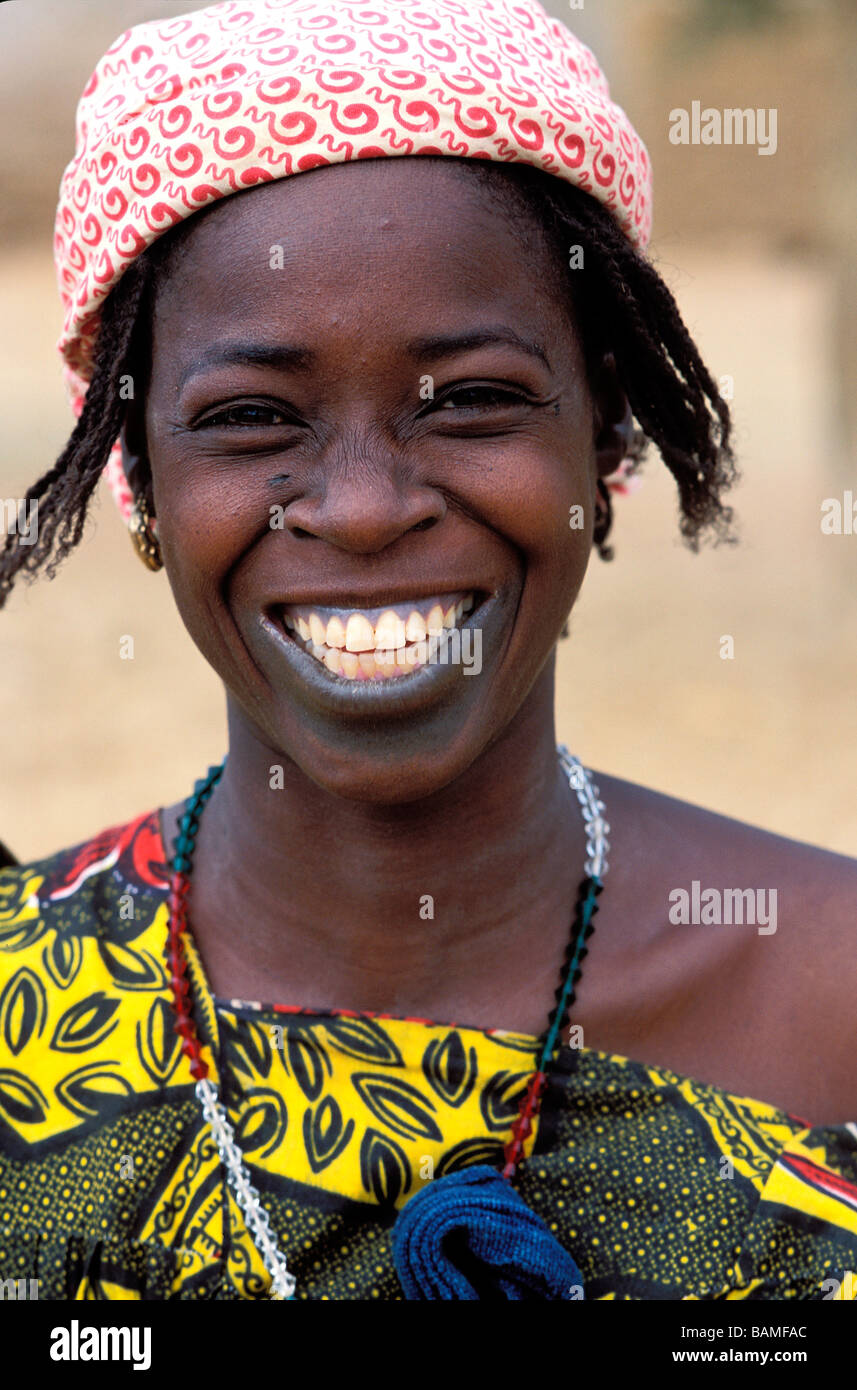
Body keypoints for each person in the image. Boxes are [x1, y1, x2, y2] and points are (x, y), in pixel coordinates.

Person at [0, 0, 855, 1302]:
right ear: (140, 479)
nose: (361, 507)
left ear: (605, 435)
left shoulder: (828, 987)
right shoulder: (23, 1006)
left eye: (468, 400)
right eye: (248, 416)